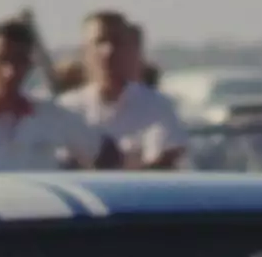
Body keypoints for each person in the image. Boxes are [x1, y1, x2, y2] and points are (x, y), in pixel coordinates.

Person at [0, 20, 99, 173]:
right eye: (2, 60)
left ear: (30, 64)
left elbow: (103, 152)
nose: (10, 71)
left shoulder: (51, 115)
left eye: (19, 61)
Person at [61, 11, 187, 171]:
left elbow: (163, 162)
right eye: (100, 42)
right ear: (85, 51)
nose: (108, 51)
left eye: (116, 42)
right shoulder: (66, 109)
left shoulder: (158, 107)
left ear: (129, 49)